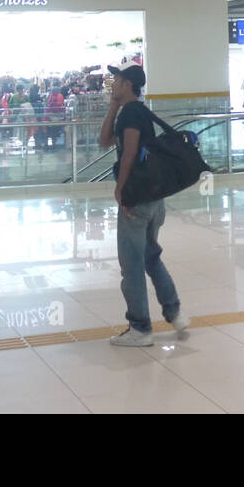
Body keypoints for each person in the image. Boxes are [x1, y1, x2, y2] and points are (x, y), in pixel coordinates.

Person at [98, 64, 189, 346]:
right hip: (153, 199)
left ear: (128, 84)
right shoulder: (134, 111)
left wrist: (121, 190)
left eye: (117, 80)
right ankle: (174, 313)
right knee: (150, 257)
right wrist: (112, 107)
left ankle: (140, 329)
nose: (113, 83)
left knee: (132, 265)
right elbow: (105, 141)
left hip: (136, 200)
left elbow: (130, 153)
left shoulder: (132, 114)